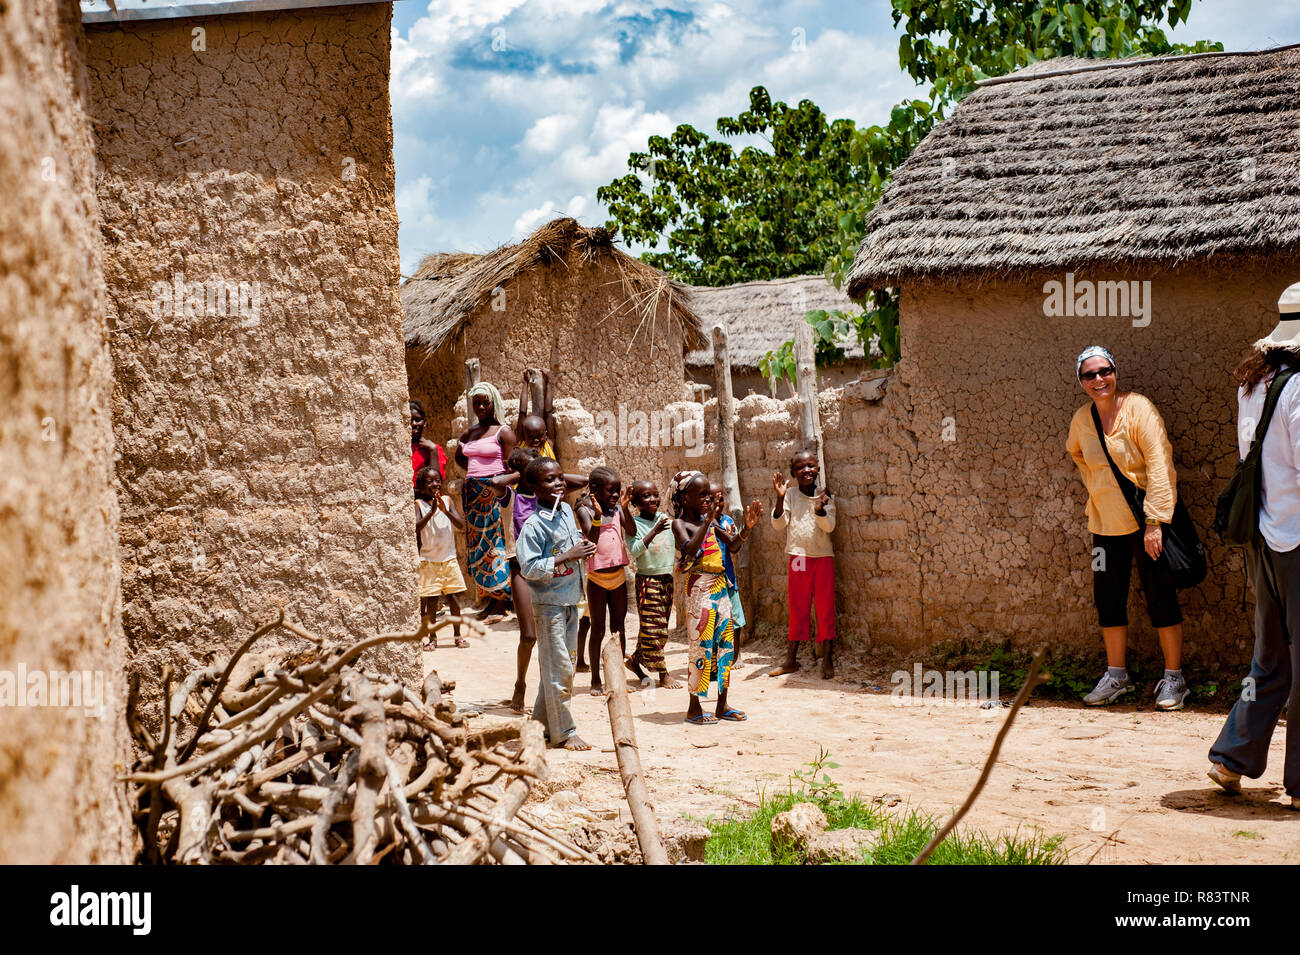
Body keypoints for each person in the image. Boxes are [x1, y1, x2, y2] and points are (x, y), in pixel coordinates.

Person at [1208, 283, 1300, 808]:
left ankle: (1232, 756)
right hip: (1296, 537)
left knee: (1271, 655)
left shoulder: (1254, 383)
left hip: (1260, 538)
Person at [1066, 346, 1188, 709]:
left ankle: (1174, 679)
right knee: (1108, 597)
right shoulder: (1081, 420)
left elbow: (1160, 463)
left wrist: (1155, 522)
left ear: (1115, 372)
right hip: (1104, 523)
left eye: (1104, 371)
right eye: (1089, 375)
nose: (1098, 380)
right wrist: (1097, 486)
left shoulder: (1139, 409)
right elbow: (1075, 452)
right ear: (1081, 381)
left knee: (1159, 594)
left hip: (1145, 522)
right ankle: (1116, 676)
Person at [515, 457, 597, 751]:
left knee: (560, 667)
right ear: (533, 488)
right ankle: (565, 732)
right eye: (550, 480)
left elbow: (580, 482)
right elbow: (529, 568)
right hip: (548, 606)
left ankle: (537, 728)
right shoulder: (534, 525)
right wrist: (567, 556)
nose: (560, 484)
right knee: (559, 669)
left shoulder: (564, 510)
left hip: (570, 601)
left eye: (561, 477)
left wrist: (583, 549)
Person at [670, 469, 744, 724]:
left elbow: (733, 545)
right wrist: (707, 521)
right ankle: (694, 707)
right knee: (700, 646)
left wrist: (748, 528)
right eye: (701, 495)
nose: (707, 499)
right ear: (684, 499)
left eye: (708, 495)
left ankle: (722, 704)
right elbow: (689, 550)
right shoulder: (680, 524)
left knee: (725, 644)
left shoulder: (709, 521)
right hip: (699, 589)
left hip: (720, 585)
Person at [769, 450, 837, 679]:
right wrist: (779, 498)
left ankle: (827, 658)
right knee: (798, 606)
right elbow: (779, 525)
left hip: (823, 558)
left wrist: (820, 510)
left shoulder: (825, 495)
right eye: (800, 467)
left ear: (817, 469)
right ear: (793, 473)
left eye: (811, 466)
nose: (806, 470)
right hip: (798, 557)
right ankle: (791, 659)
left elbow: (829, 527)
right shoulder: (789, 495)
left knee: (825, 607)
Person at [455, 382, 515, 624]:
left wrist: (494, 481)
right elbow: (460, 457)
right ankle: (490, 601)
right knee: (478, 547)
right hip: (473, 493)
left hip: (494, 492)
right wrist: (473, 476)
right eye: (476, 403)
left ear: (494, 403)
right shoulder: (470, 433)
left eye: (485, 402)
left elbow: (512, 464)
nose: (480, 407)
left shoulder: (504, 432)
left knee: (495, 544)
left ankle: (501, 604)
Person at [576, 467, 630, 696]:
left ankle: (618, 676)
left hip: (618, 576)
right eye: (611, 491)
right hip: (597, 578)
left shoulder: (617, 508)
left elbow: (632, 529)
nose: (616, 495)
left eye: (618, 491)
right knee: (597, 628)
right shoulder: (584, 509)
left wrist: (624, 509)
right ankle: (596, 679)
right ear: (595, 491)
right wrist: (598, 516)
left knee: (619, 627)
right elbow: (593, 539)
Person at [622, 480, 681, 689]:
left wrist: (680, 560)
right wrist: (654, 531)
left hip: (666, 579)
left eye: (655, 494)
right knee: (655, 629)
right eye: (646, 496)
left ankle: (635, 661)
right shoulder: (634, 524)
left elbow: (677, 542)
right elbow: (636, 550)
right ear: (636, 502)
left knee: (656, 626)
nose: (653, 499)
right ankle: (663, 674)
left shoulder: (665, 519)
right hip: (647, 580)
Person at [707, 480, 762, 669]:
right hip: (708, 581)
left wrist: (745, 530)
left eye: (721, 499)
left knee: (735, 619)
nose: (718, 503)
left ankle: (736, 654)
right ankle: (715, 657)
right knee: (713, 621)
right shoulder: (702, 524)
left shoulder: (727, 522)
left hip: (728, 578)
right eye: (713, 499)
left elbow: (734, 548)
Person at [414, 467, 467, 649]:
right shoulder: (419, 504)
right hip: (429, 560)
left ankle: (458, 636)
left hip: (449, 558)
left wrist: (445, 511)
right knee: (431, 602)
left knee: (454, 600)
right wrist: (431, 512)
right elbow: (415, 528)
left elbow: (461, 524)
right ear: (421, 487)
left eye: (437, 480)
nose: (435, 484)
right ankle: (432, 638)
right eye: (429, 482)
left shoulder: (447, 500)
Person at [515, 368, 557, 461]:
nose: (536, 440)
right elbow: (522, 412)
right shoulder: (521, 444)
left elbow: (548, 411)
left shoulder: (548, 444)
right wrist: (525, 383)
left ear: (546, 434)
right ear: (523, 435)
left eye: (540, 436)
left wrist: (549, 383)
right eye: (531, 437)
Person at [410, 400, 447, 485]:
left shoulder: (434, 449)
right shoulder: (398, 450)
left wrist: (433, 451)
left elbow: (437, 482)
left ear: (425, 422)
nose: (414, 424)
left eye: (418, 420)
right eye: (410, 420)